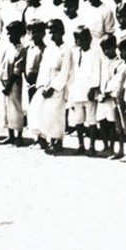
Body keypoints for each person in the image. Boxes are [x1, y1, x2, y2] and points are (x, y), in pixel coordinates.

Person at [29, 19, 72, 155]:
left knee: (55, 115)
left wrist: (53, 87)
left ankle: (57, 142)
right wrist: (41, 86)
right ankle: (42, 139)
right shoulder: (49, 49)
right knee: (39, 110)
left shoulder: (66, 50)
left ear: (62, 32)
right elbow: (43, 68)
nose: (53, 35)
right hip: (45, 85)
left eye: (55, 32)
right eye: (50, 32)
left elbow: (65, 72)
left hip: (57, 87)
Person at [67, 26, 101, 155]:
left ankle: (92, 146)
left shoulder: (95, 53)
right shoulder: (74, 53)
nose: (84, 41)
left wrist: (93, 88)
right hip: (77, 91)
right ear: (76, 41)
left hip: (89, 91)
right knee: (78, 120)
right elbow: (72, 73)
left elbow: (97, 72)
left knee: (91, 120)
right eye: (80, 39)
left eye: (86, 38)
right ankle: (81, 144)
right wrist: (71, 92)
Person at [0, 20, 27, 145]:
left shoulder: (21, 50)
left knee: (16, 109)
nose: (9, 36)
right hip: (5, 83)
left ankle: (19, 136)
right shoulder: (8, 49)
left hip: (14, 84)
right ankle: (10, 135)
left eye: (11, 34)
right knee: (7, 109)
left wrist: (9, 86)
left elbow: (17, 70)